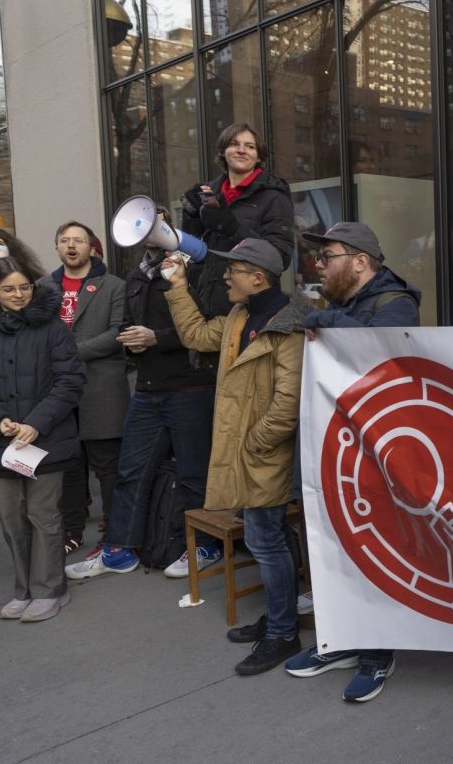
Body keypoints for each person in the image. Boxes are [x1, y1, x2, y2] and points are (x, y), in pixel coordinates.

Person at [283, 221, 421, 703]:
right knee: (331, 550)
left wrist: (324, 320)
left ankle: (377, 653)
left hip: (376, 458)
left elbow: (385, 359)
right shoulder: (342, 306)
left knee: (375, 551)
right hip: (335, 450)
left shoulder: (395, 303)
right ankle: (338, 640)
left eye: (330, 257)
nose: (320, 266)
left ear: (361, 261)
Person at [162, 238, 312, 676]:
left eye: (235, 270)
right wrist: (177, 285)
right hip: (249, 452)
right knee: (273, 538)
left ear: (258, 277)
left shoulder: (289, 327)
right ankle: (281, 618)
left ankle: (283, 633)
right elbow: (194, 334)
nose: (227, 275)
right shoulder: (239, 317)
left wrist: (255, 444)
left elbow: (288, 399)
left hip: (265, 453)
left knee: (265, 541)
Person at [66, 210, 221, 581]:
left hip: (190, 386)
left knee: (193, 472)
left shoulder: (197, 268)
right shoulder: (138, 274)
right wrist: (128, 342)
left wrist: (157, 338)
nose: (148, 228)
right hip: (149, 387)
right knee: (131, 470)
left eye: (156, 220)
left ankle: (205, 543)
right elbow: (126, 323)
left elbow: (211, 326)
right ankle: (120, 548)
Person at [0, 260, 85, 622]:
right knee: (11, 518)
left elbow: (71, 380)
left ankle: (50, 589)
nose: (18, 295)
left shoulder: (52, 327)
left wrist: (35, 423)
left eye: (24, 287)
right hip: (2, 444)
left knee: (42, 515)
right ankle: (25, 589)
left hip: (46, 440)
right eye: (9, 289)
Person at [50, 221, 127, 553]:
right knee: (68, 463)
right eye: (64, 240)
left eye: (78, 240)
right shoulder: (41, 287)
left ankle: (114, 529)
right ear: (57, 248)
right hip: (56, 390)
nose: (71, 246)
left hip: (102, 387)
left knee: (107, 464)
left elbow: (117, 334)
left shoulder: (114, 286)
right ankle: (72, 529)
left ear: (91, 247)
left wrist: (66, 354)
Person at [180, 122, 294, 318]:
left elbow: (280, 257)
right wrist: (190, 218)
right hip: (204, 303)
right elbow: (190, 252)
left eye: (250, 146)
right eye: (234, 144)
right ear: (223, 151)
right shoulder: (209, 193)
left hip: (249, 309)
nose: (242, 150)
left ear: (259, 156)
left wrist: (230, 227)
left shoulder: (274, 196)